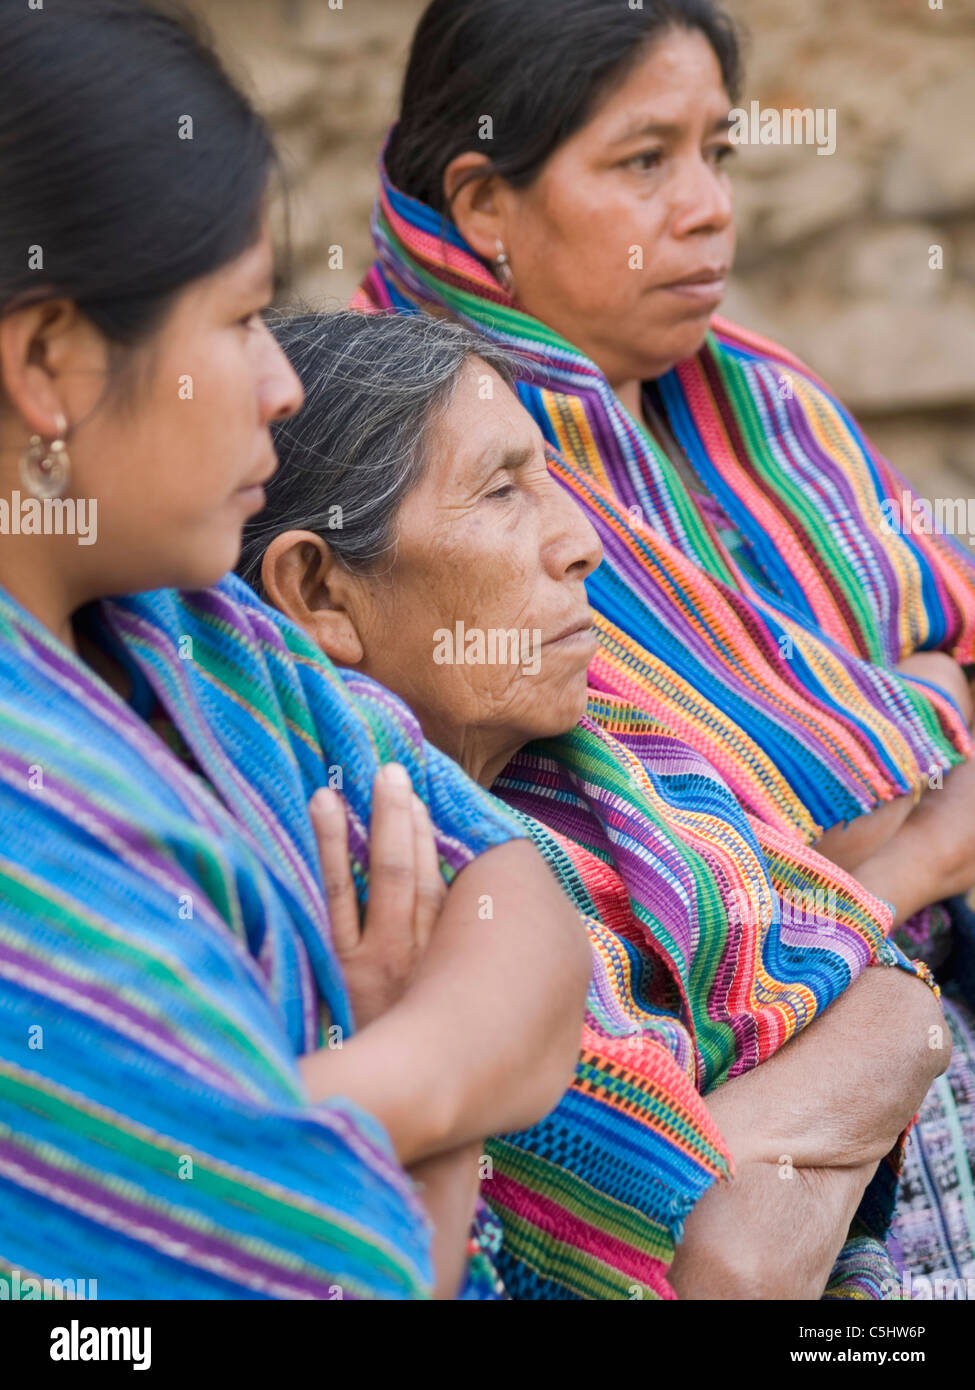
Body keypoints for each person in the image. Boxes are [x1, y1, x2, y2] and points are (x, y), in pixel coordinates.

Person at [0, 0, 593, 1300]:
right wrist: (437, 1140)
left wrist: (358, 1092)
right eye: (240, 320)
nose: (281, 383)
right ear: (49, 361)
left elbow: (522, 891)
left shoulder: (198, 632)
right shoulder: (27, 824)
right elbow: (319, 1268)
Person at [238, 308, 958, 1300]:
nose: (582, 542)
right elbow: (708, 1277)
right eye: (502, 491)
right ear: (320, 593)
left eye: (552, 481)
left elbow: (899, 1007)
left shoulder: (612, 766)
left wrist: (720, 1177)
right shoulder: (363, 887)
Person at [354, 0, 975, 943]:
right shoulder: (409, 465)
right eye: (644, 160)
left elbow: (938, 658)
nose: (710, 207)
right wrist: (923, 831)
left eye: (714, 154)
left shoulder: (756, 404)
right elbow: (727, 878)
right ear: (484, 205)